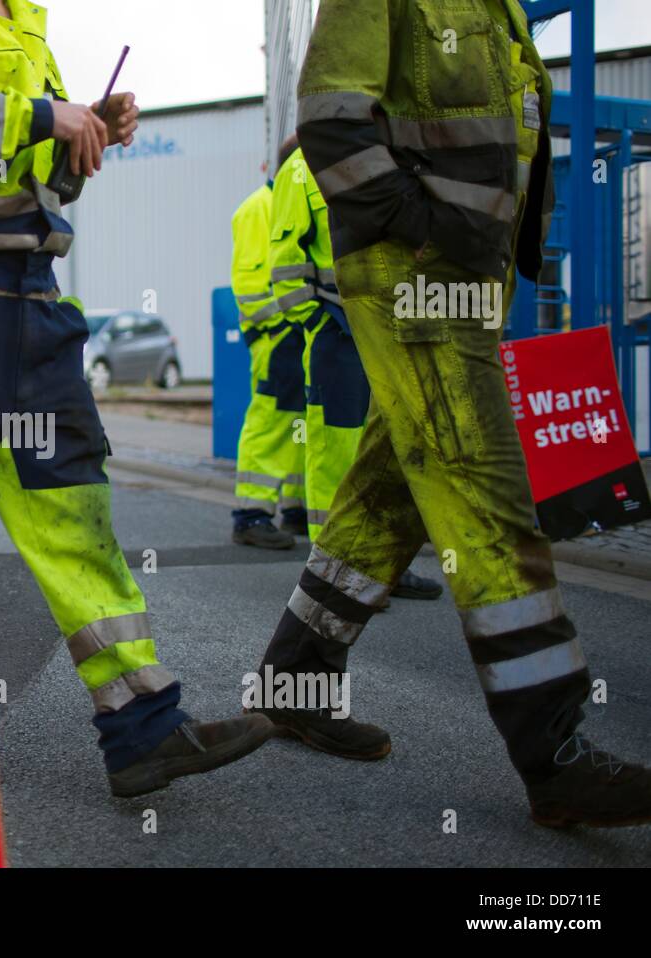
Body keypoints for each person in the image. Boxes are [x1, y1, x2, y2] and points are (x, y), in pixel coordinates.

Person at [247, 0, 651, 827]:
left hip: (468, 273)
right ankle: (555, 750)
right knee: (480, 484)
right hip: (415, 274)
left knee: (390, 492)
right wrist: (422, 228)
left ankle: (296, 679)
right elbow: (329, 113)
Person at [0, 0, 272, 798]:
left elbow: (34, 176)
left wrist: (84, 132)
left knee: (78, 520)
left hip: (34, 307)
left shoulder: (25, 22)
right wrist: (40, 114)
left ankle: (144, 732)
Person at [269, 141, 443, 600]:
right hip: (339, 330)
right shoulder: (301, 169)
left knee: (390, 449)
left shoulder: (391, 152)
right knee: (336, 448)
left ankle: (382, 566)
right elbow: (285, 258)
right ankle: (334, 574)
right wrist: (316, 320)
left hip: (392, 326)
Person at [229, 138, 308, 551]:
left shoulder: (289, 202)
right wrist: (290, 322)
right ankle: (251, 514)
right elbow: (251, 284)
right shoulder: (258, 207)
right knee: (272, 420)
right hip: (278, 336)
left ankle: (296, 508)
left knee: (300, 421)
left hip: (296, 332)